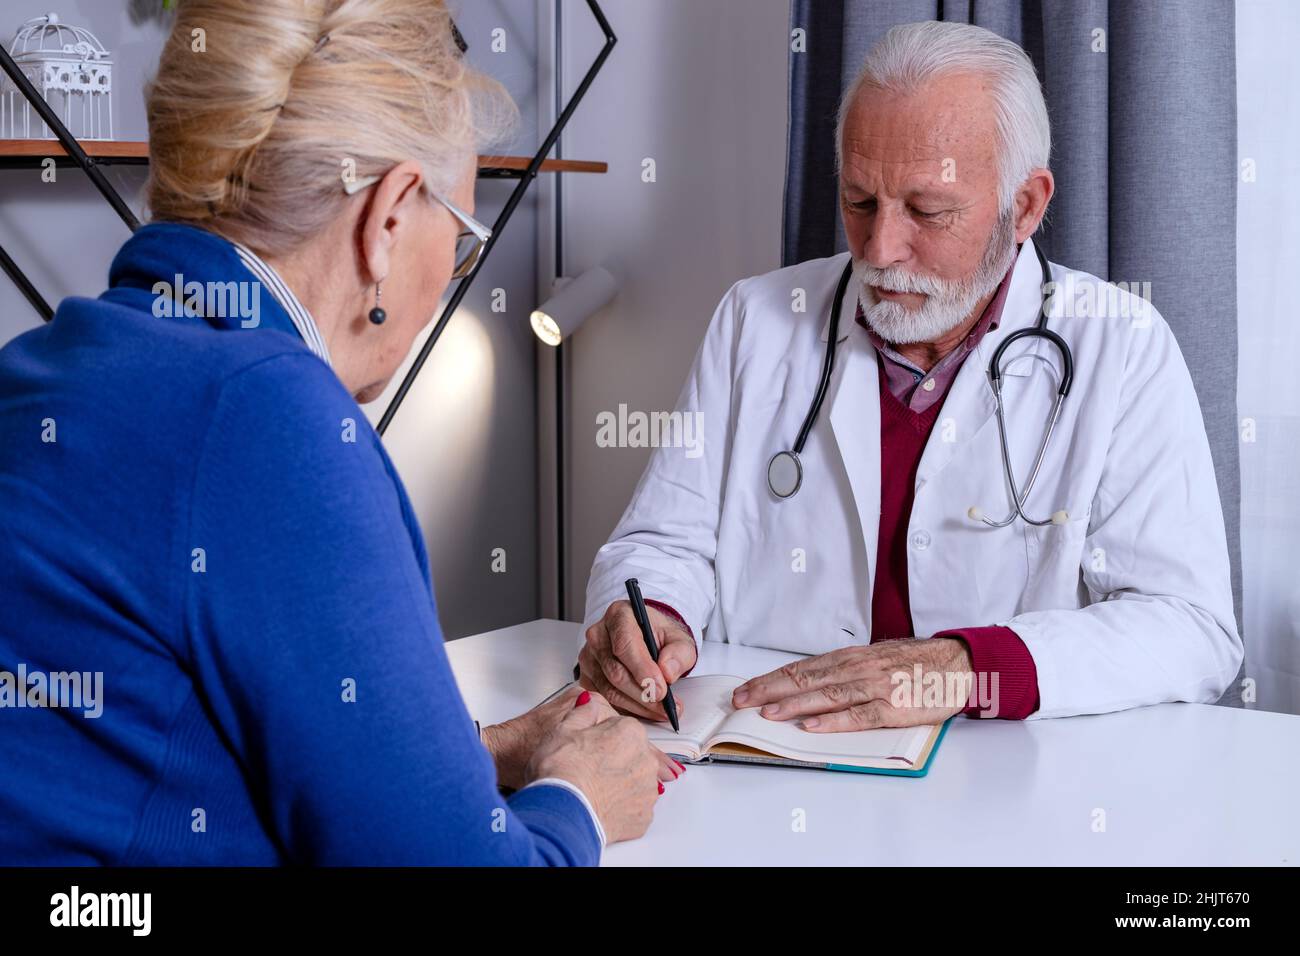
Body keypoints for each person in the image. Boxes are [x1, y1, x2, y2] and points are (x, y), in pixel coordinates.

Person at [0, 0, 674, 866]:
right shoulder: (268, 414)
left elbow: (164, 735)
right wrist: (579, 801)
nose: (452, 273)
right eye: (461, 242)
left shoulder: (41, 366)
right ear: (388, 220)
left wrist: (464, 757)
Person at [580, 20, 1241, 729]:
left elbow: (1190, 628)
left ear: (1024, 206)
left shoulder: (1122, 344)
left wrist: (966, 668)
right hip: (766, 752)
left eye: (927, 210)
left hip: (1007, 772)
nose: (879, 249)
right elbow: (663, 544)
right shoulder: (756, 318)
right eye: (859, 201)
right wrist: (649, 616)